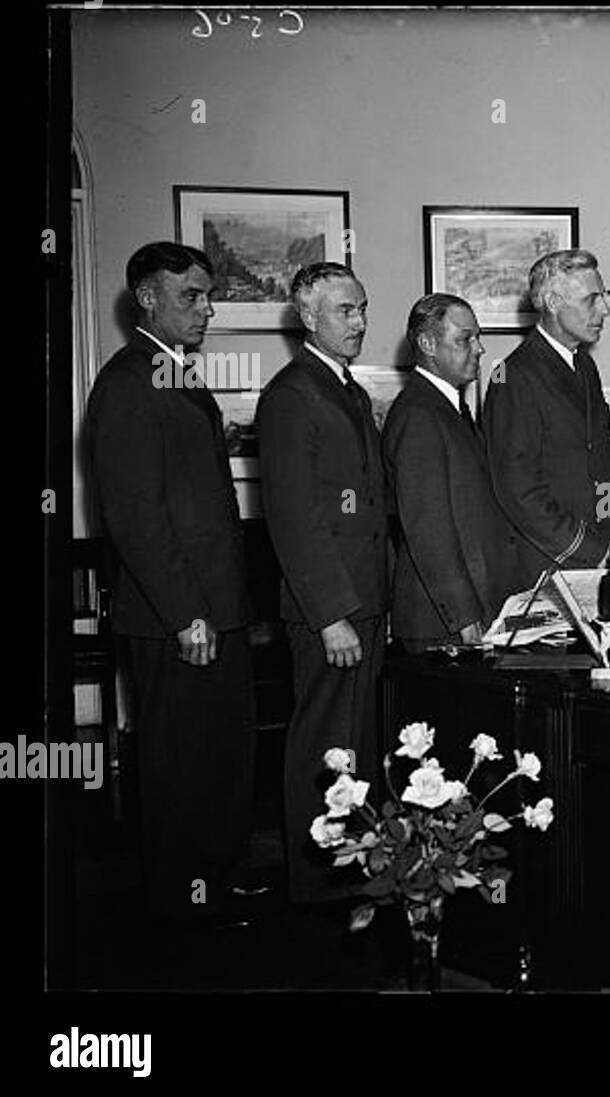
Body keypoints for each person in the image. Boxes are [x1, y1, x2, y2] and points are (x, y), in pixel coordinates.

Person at [84, 242, 257, 927]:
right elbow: (136, 517)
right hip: (176, 617)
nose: (206, 308)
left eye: (209, 295)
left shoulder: (174, 375)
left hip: (216, 608)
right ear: (147, 299)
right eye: (191, 296)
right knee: (180, 767)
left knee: (223, 757)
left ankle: (216, 884)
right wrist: (187, 612)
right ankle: (184, 908)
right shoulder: (126, 384)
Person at [256, 262, 388, 905]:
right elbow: (295, 517)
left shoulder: (348, 389)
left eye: (362, 308)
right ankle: (314, 883)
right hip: (330, 610)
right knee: (324, 743)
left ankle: (350, 868)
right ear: (308, 317)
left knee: (355, 743)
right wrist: (332, 614)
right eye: (345, 310)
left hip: (365, 602)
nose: (360, 321)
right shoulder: (290, 394)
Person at [383, 294, 527, 650]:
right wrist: (463, 614)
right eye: (465, 339)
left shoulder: (449, 409)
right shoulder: (419, 414)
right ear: (428, 344)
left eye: (477, 338)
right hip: (443, 624)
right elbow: (428, 527)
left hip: (469, 611)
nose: (478, 349)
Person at [482, 249, 610, 580]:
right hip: (550, 566)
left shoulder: (584, 366)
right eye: (591, 300)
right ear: (552, 302)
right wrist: (592, 550)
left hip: (598, 557)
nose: (604, 310)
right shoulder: (513, 375)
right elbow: (519, 492)